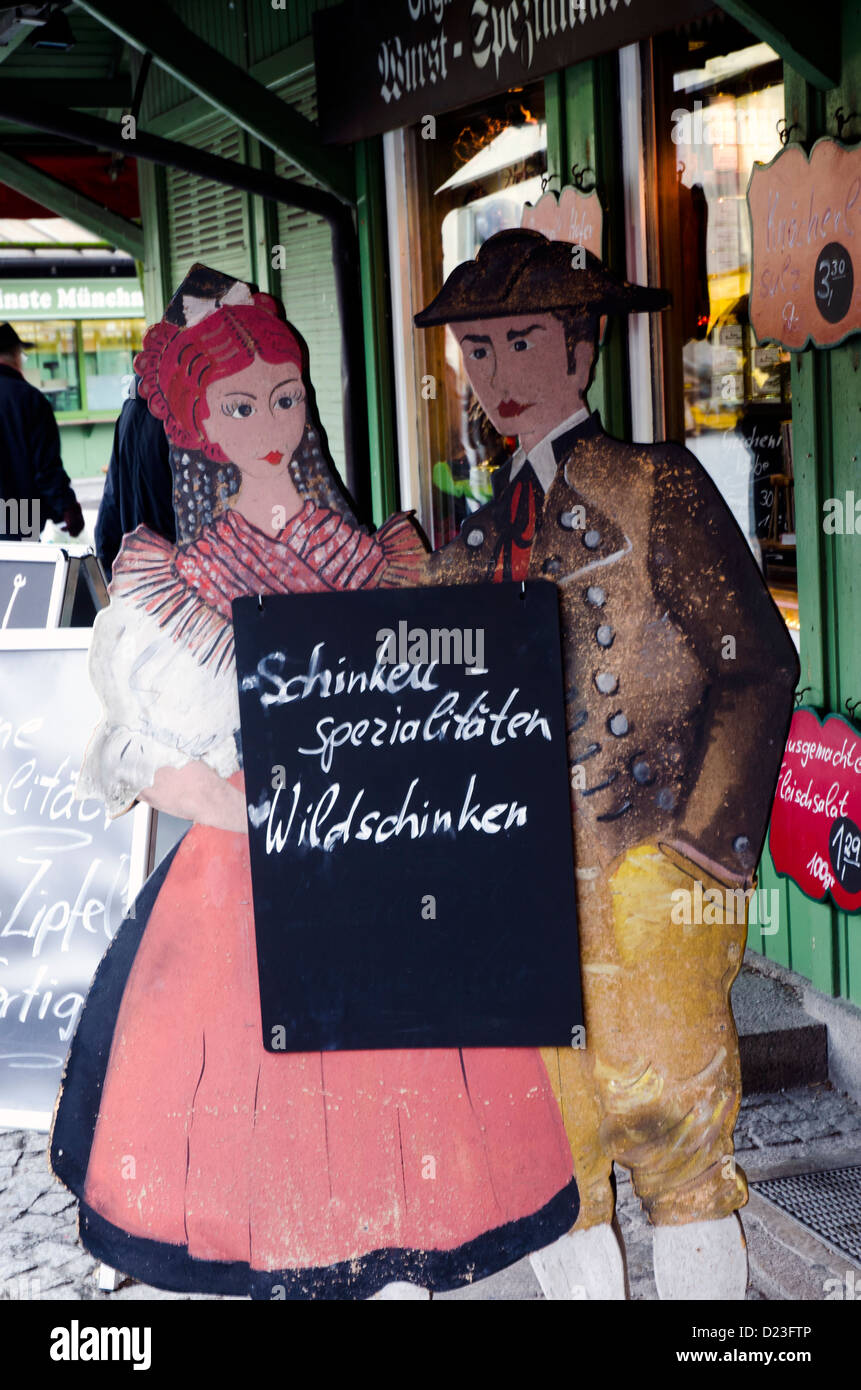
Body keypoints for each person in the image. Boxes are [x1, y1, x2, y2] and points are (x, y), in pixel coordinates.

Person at [50, 268, 579, 1300]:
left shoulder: (379, 559)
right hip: (241, 885)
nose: (270, 422)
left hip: (378, 869)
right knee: (272, 1128)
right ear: (198, 422)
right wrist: (200, 791)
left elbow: (442, 704)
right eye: (241, 405)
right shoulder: (174, 577)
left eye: (285, 398)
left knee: (406, 1124)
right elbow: (118, 742)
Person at [416, 228, 800, 1300]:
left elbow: (758, 665)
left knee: (681, 1151)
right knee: (554, 1154)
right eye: (478, 352)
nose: (498, 376)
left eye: (522, 343)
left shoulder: (657, 487)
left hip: (649, 883)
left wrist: (703, 854)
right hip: (520, 902)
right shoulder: (476, 534)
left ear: (580, 353)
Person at [0, 321, 84, 541]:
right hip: (18, 517)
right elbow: (46, 467)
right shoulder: (29, 400)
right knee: (21, 574)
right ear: (15, 355)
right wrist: (66, 507)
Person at [95, 374, 176, 580]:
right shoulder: (182, 413)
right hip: (175, 573)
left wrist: (108, 563)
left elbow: (111, 501)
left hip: (135, 571)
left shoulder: (131, 408)